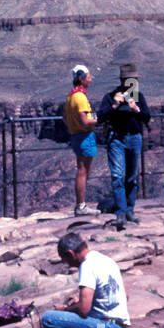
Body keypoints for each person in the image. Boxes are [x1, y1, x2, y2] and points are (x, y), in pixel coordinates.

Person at [39, 231, 130, 328]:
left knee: (50, 318)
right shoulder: (107, 260)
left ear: (71, 253)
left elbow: (83, 309)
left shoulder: (87, 265)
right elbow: (125, 295)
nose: (68, 265)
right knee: (71, 325)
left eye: (66, 260)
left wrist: (67, 308)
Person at [100, 63, 151, 229]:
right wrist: (115, 105)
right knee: (117, 175)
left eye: (134, 80)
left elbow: (147, 117)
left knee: (131, 177)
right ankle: (121, 212)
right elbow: (100, 117)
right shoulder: (110, 96)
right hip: (117, 139)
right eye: (130, 79)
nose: (132, 82)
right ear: (123, 80)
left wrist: (136, 109)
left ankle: (130, 209)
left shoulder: (138, 96)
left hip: (134, 138)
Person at [65, 64, 99, 217]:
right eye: (89, 76)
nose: (91, 80)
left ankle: (81, 205)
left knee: (82, 170)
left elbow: (65, 118)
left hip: (75, 136)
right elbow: (85, 121)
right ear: (81, 78)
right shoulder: (80, 97)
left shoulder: (71, 96)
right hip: (84, 136)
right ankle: (81, 206)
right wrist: (99, 120)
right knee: (83, 171)